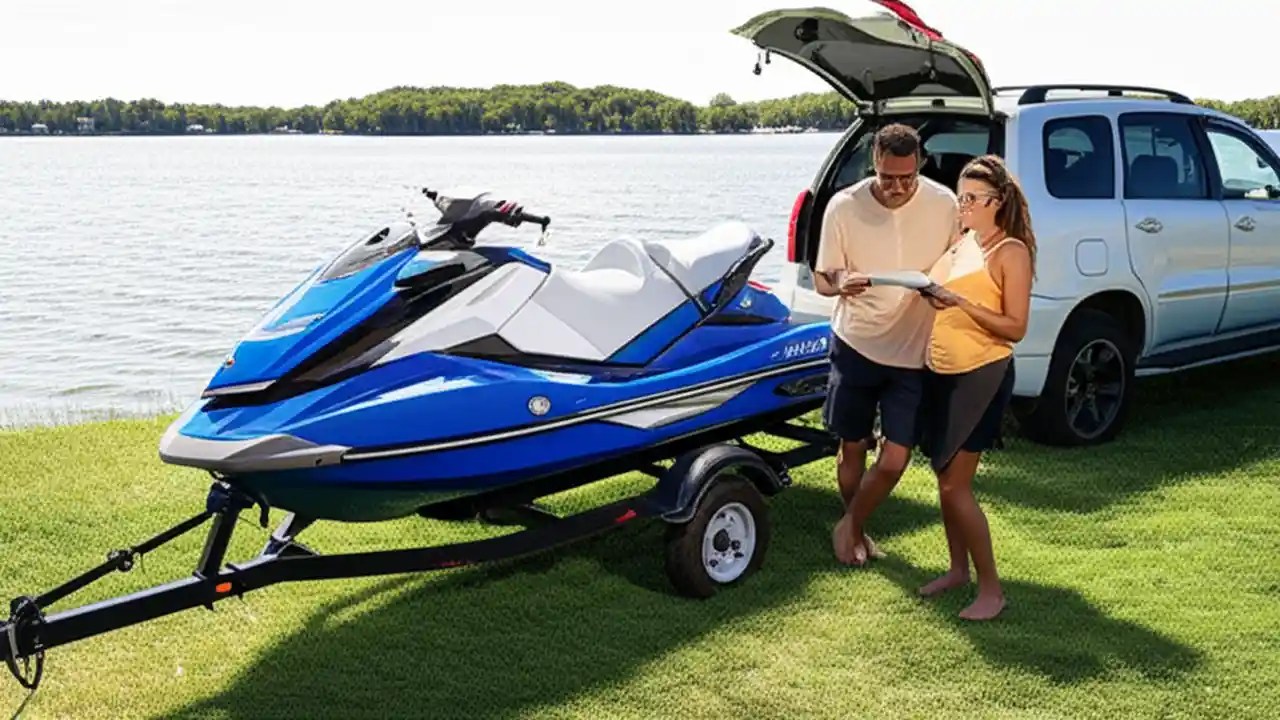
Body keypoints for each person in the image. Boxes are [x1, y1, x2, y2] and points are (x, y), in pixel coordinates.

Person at [813, 123, 959, 566]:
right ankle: (855, 527)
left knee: (896, 458)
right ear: (872, 164)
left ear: (920, 167)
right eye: (887, 177)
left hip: (912, 350)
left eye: (907, 178)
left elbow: (957, 266)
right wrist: (842, 282)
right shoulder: (843, 207)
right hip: (855, 342)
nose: (897, 188)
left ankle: (849, 528)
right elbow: (823, 278)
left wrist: (941, 290)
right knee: (853, 445)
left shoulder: (945, 204)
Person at [914, 154, 1036, 621]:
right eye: (959, 197)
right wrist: (929, 291)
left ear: (997, 201)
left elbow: (1015, 327)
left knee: (956, 487)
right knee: (944, 481)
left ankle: (992, 591)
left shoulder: (1011, 252)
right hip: (942, 372)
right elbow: (941, 287)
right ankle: (956, 571)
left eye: (971, 199)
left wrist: (960, 303)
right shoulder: (964, 243)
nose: (962, 206)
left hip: (983, 375)